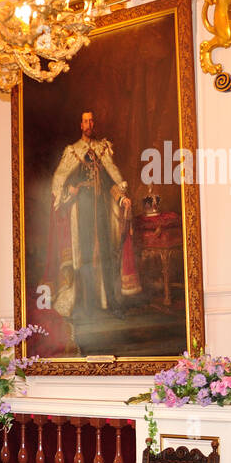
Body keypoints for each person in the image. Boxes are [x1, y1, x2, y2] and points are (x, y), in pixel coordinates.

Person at [47, 111, 140, 321]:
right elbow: (60, 178)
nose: (89, 124)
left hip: (102, 212)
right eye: (85, 121)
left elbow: (112, 178)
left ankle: (113, 303)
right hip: (83, 210)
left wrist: (122, 197)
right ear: (80, 125)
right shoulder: (73, 151)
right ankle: (87, 306)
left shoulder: (102, 149)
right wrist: (69, 190)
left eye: (91, 120)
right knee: (85, 256)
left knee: (107, 256)